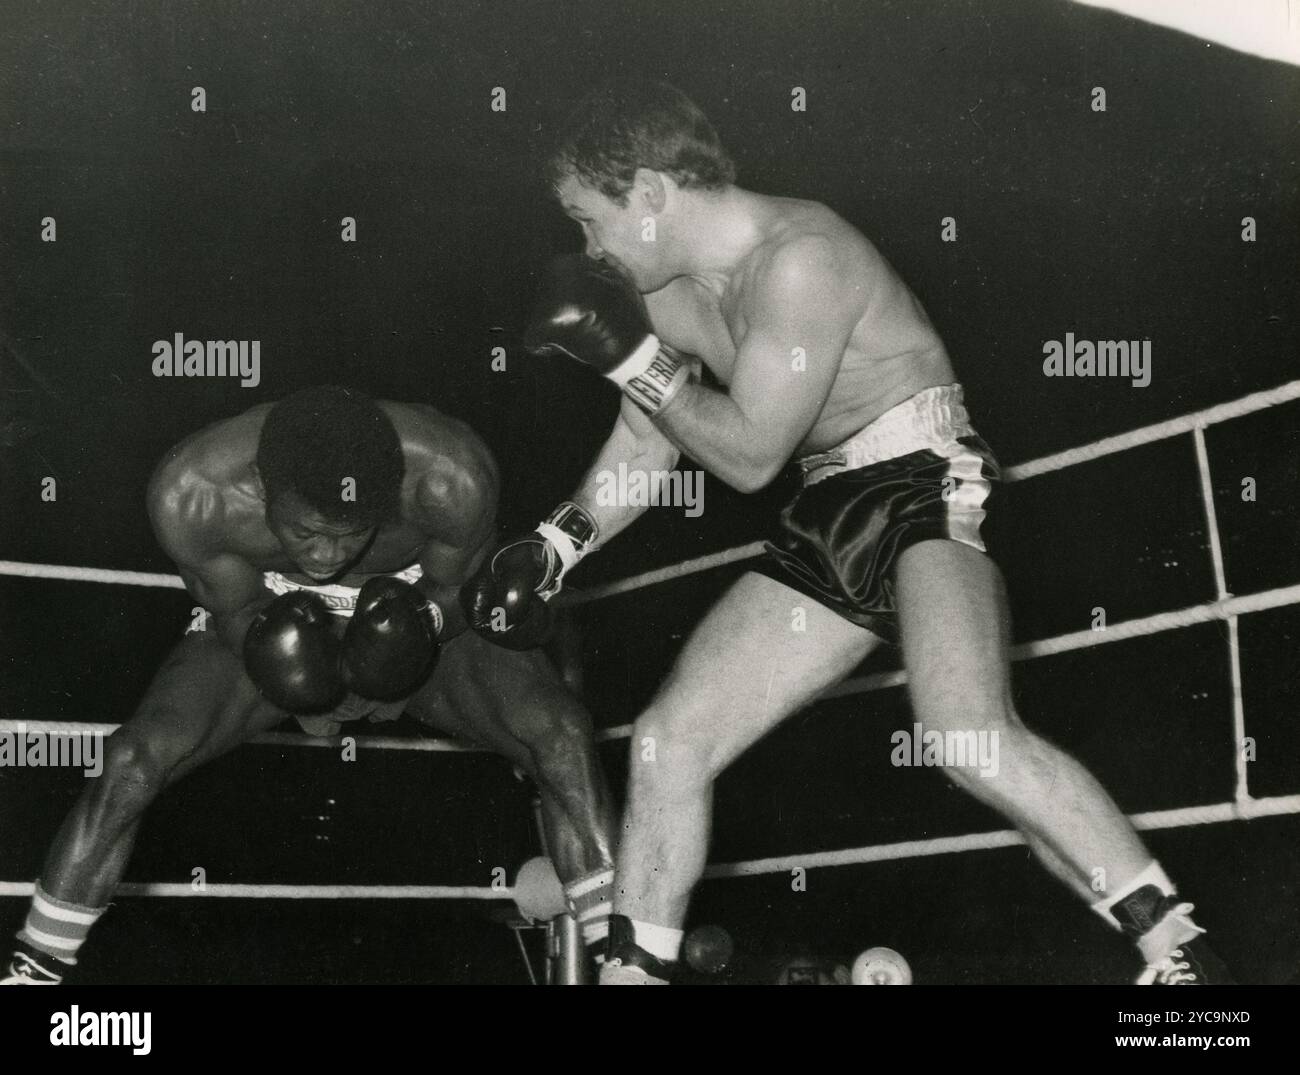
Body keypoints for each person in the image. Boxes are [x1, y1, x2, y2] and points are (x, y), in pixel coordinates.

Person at [469, 80, 1232, 985]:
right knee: (672, 738)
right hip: (832, 506)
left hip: (921, 478)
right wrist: (561, 541)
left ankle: (1178, 953)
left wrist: (630, 356)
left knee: (966, 736)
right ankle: (634, 976)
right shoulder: (667, 294)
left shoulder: (803, 258)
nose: (584, 247)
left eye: (588, 219)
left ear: (647, 192)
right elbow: (649, 436)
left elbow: (750, 453)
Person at [3, 385, 615, 984]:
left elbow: (457, 589)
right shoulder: (192, 495)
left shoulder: (448, 475)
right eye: (306, 535)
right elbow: (236, 612)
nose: (328, 556)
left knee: (562, 735)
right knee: (133, 760)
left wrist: (416, 629)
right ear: (265, 491)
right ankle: (30, 977)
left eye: (352, 535)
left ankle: (623, 964)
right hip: (271, 620)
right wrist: (304, 674)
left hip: (420, 621)